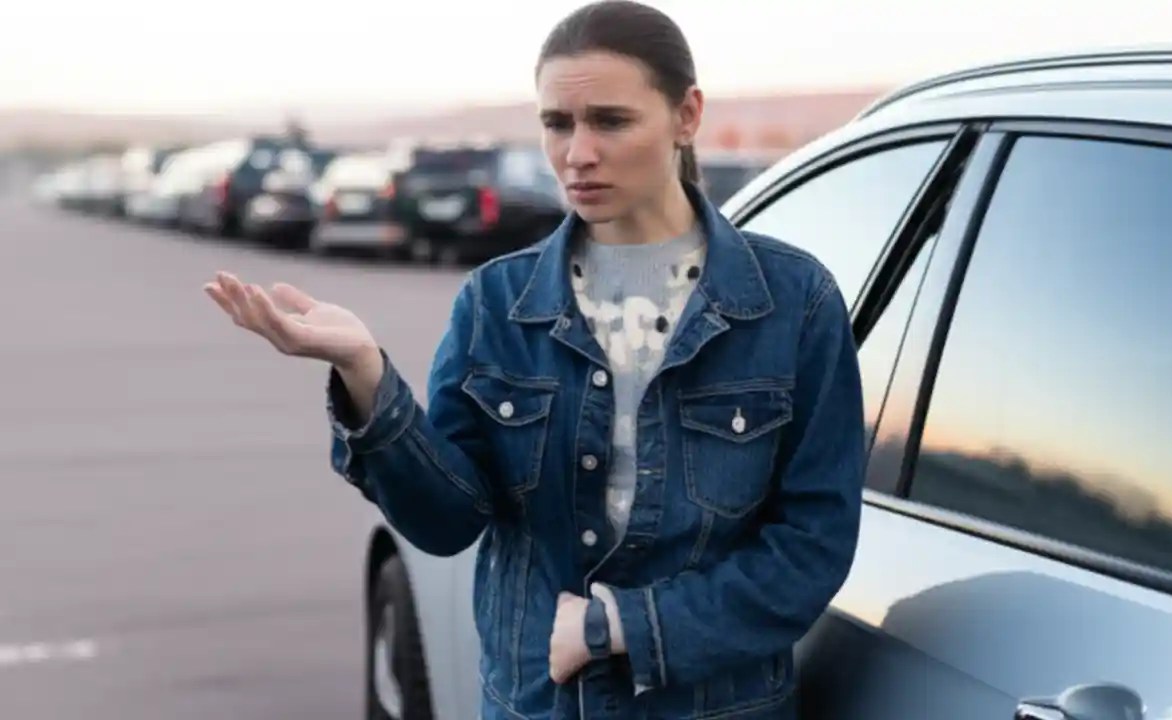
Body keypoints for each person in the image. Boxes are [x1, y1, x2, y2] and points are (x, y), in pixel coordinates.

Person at [203, 1, 866, 716]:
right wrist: (365, 373)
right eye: (557, 123)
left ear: (686, 115)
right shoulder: (498, 300)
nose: (577, 153)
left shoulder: (793, 303)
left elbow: (811, 548)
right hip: (538, 704)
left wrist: (619, 628)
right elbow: (448, 521)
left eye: (610, 121)